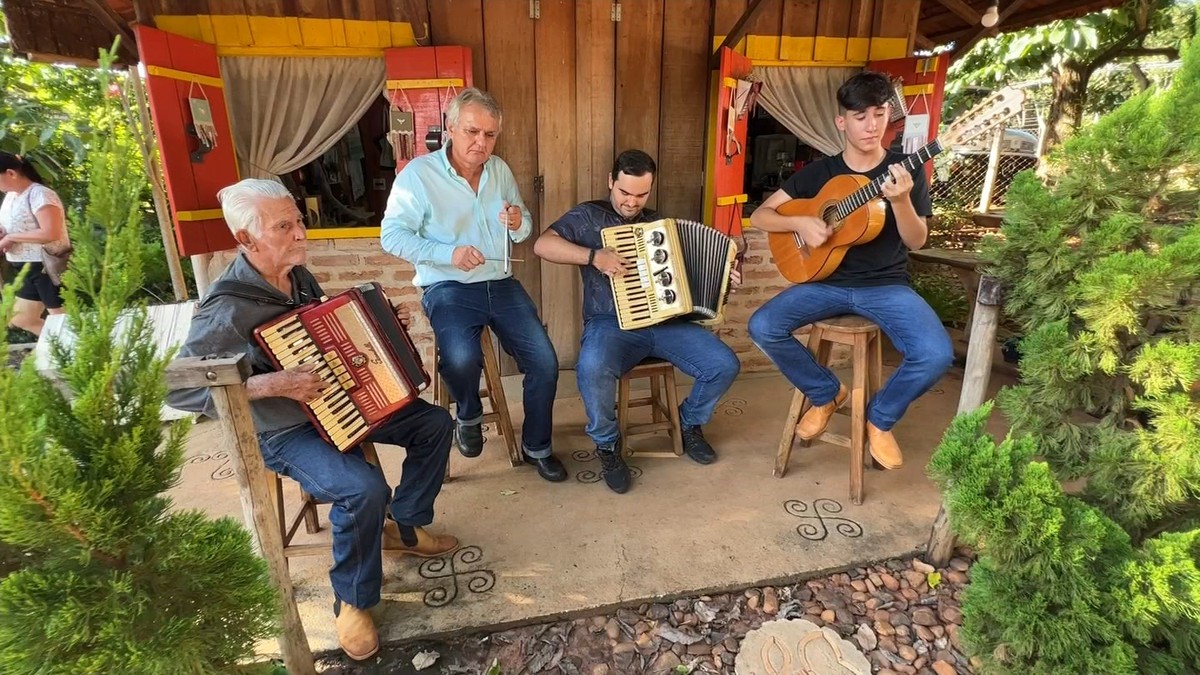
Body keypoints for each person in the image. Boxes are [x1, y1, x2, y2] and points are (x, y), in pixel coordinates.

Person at [166, 179, 459, 662]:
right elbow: (180, 388)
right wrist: (270, 384)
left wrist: (382, 330)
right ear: (246, 239)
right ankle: (353, 601)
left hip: (332, 404)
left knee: (434, 424)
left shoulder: (298, 277)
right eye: (285, 226)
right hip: (279, 429)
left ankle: (403, 527)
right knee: (361, 489)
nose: (302, 233)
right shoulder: (226, 307)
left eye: (298, 220)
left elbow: (324, 339)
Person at [747, 71, 953, 471]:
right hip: (826, 283)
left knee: (935, 354)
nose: (871, 125)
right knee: (763, 325)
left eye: (879, 114)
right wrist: (800, 223)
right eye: (860, 116)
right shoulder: (818, 174)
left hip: (886, 286)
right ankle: (826, 394)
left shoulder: (904, 173)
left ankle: (879, 419)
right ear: (842, 122)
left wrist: (901, 201)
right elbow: (761, 215)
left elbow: (916, 241)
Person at [381, 88, 567, 483]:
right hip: (448, 286)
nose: (480, 143)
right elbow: (392, 236)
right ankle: (468, 412)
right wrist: (450, 254)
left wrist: (519, 222)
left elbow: (524, 229)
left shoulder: (498, 170)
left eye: (489, 135)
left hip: (499, 283)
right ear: (450, 127)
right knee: (463, 360)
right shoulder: (418, 175)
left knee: (545, 363)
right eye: (471, 132)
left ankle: (538, 447)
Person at [533, 150, 742, 493]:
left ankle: (689, 423)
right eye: (624, 192)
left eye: (641, 194)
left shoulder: (660, 227)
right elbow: (543, 245)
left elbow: (687, 286)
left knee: (723, 364)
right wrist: (593, 256)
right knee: (592, 367)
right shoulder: (588, 216)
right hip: (610, 323)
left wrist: (721, 277)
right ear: (610, 183)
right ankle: (607, 444)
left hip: (666, 324)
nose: (632, 202)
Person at [0, 152, 68, 337]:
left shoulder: (41, 194)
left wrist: (11, 238)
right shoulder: (11, 197)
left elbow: (50, 233)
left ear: (11, 173)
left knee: (61, 318)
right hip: (26, 267)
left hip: (47, 266)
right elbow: (17, 226)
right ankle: (59, 348)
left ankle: (81, 356)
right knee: (21, 318)